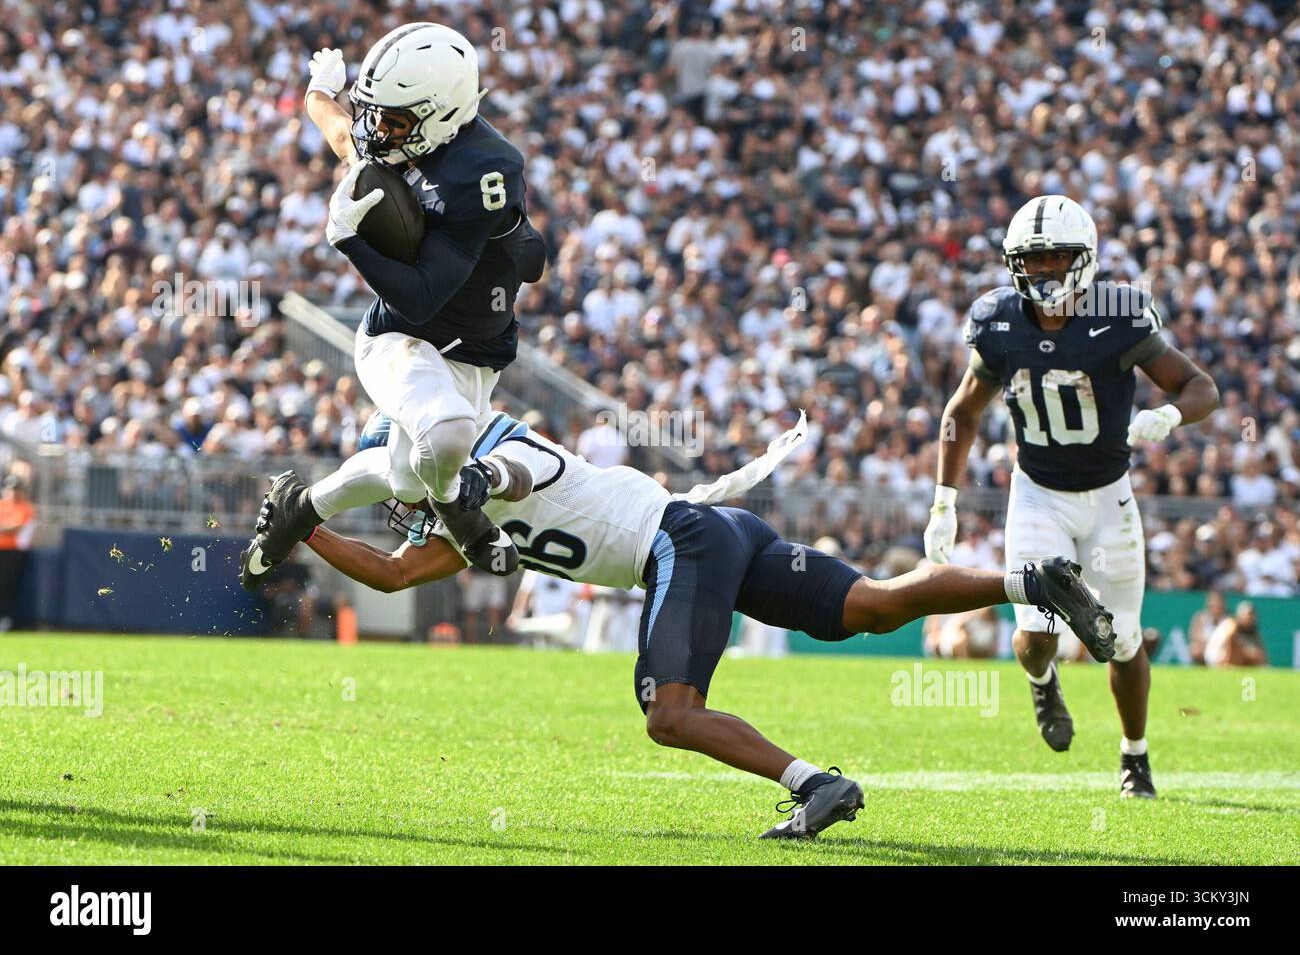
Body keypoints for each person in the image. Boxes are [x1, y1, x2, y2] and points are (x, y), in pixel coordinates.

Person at [242, 411, 1116, 840]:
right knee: (871, 608)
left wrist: (472, 484)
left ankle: (815, 784)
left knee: (669, 712)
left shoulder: (497, 453)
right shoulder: (455, 509)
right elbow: (395, 575)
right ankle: (1028, 578)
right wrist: (307, 530)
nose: (406, 501)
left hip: (683, 540)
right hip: (719, 535)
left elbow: (510, 471)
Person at [924, 195, 1220, 799]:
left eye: (1057, 257)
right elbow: (962, 411)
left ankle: (1134, 756)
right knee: (1037, 635)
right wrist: (944, 501)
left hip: (1110, 498)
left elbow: (1201, 387)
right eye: (1032, 261)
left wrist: (1167, 416)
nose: (1044, 272)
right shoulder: (999, 321)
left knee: (1125, 639)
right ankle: (1043, 681)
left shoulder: (1121, 317)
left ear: (1084, 260)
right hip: (1036, 495)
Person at [256, 24, 546, 579]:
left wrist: (349, 242)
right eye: (376, 111)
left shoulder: (484, 170)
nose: (378, 129)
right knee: (449, 436)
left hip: (470, 348)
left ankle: (299, 507)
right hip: (399, 338)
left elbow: (424, 293)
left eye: (394, 118)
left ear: (440, 113)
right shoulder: (401, 133)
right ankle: (464, 511)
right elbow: (344, 134)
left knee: (409, 478)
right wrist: (320, 91)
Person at [0, 474, 36, 630]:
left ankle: (5, 619)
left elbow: (16, 528)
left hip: (12, 552)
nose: (14, 492)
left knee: (7, 587)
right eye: (11, 488)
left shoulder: (26, 508)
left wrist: (4, 527)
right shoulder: (2, 505)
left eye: (17, 489)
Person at [1204, 602, 1268, 668]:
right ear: (1240, 615)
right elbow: (1228, 643)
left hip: (1230, 657)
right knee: (1239, 649)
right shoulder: (1232, 624)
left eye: (1252, 615)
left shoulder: (1252, 630)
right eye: (1248, 615)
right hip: (1216, 655)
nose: (1250, 618)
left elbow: (1260, 651)